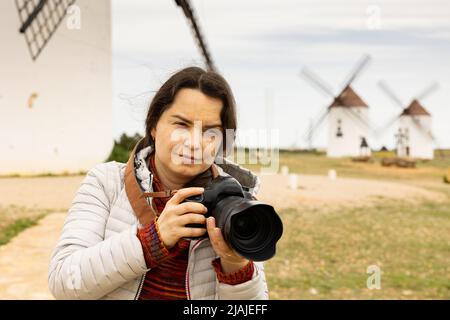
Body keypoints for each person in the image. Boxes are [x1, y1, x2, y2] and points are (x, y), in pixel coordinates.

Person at [48, 66, 269, 300]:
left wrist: (236, 266)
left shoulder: (238, 204)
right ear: (153, 125)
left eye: (210, 131)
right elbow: (64, 283)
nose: (194, 143)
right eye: (181, 124)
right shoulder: (106, 183)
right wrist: (152, 240)